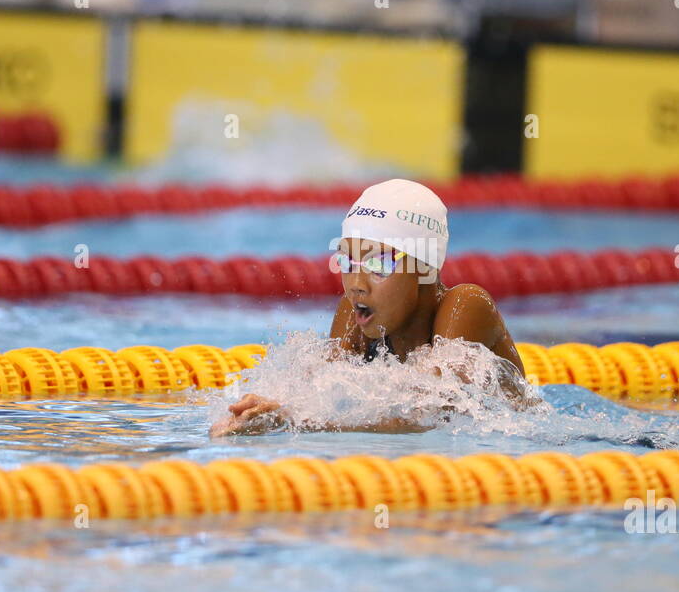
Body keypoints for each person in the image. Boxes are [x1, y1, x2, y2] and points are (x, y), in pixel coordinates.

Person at [210, 179, 528, 437]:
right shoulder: (355, 312)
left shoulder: (466, 305)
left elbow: (425, 414)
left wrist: (294, 420)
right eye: (348, 261)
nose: (357, 284)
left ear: (425, 268)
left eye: (377, 264)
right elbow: (322, 387)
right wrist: (268, 409)